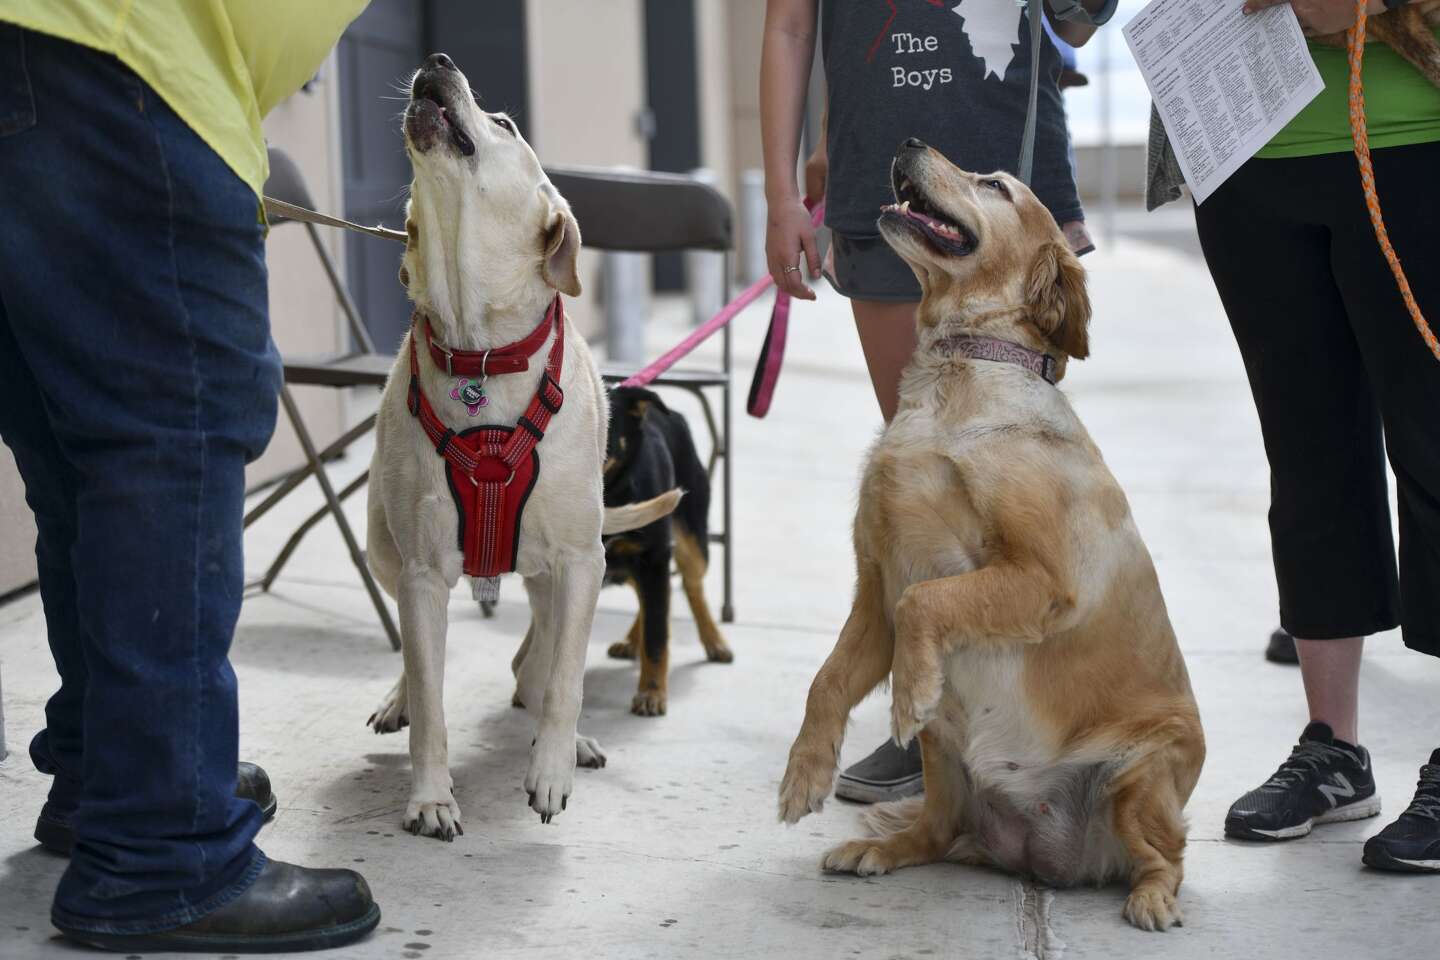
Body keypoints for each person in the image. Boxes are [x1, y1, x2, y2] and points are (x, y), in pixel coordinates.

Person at [0, 1, 386, 951]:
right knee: (169, 429)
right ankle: (161, 851)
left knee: (74, 440)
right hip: (126, 55)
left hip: (50, 47)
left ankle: (112, 779)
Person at [760, 0, 1113, 805]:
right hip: (877, 182)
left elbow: (1078, 24)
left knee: (1013, 482)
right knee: (925, 486)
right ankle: (934, 725)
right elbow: (791, 28)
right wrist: (784, 192)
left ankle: (1028, 710)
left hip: (1009, 183)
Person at [1148, 0, 1440, 871]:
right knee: (1307, 452)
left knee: (1433, 451)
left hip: (1414, 131)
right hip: (1244, 144)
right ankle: (1333, 750)